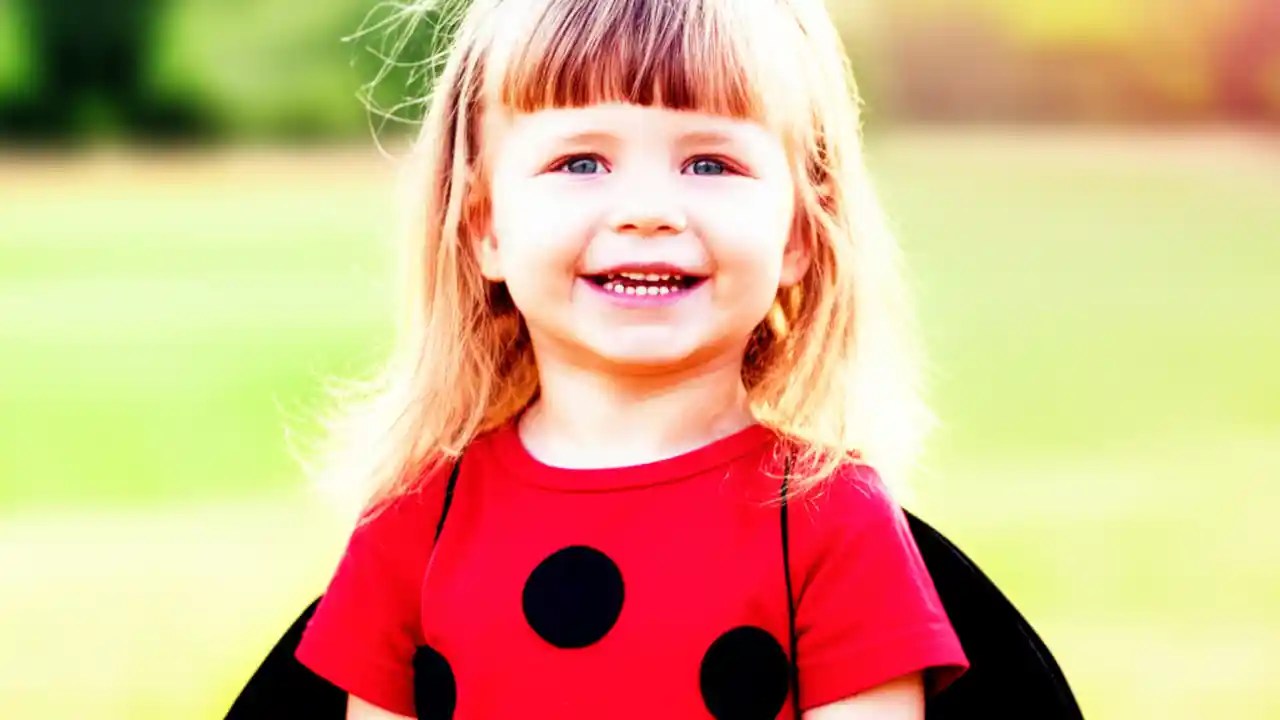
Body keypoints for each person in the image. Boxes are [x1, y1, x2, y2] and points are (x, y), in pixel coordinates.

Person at [295, 0, 969, 717]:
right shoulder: (416, 520)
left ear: (800, 230)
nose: (647, 210)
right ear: (485, 225)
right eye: (580, 161)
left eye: (710, 162)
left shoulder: (830, 521)